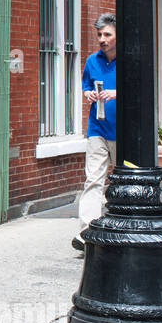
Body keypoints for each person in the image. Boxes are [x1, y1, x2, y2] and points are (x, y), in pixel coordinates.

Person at [74, 13, 117, 252]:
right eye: (99, 34)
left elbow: (139, 88)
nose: (102, 39)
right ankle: (86, 233)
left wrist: (115, 92)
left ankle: (121, 226)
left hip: (122, 131)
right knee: (93, 180)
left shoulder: (128, 59)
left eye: (107, 34)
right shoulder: (92, 61)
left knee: (121, 182)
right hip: (97, 129)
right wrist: (87, 94)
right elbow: (86, 87)